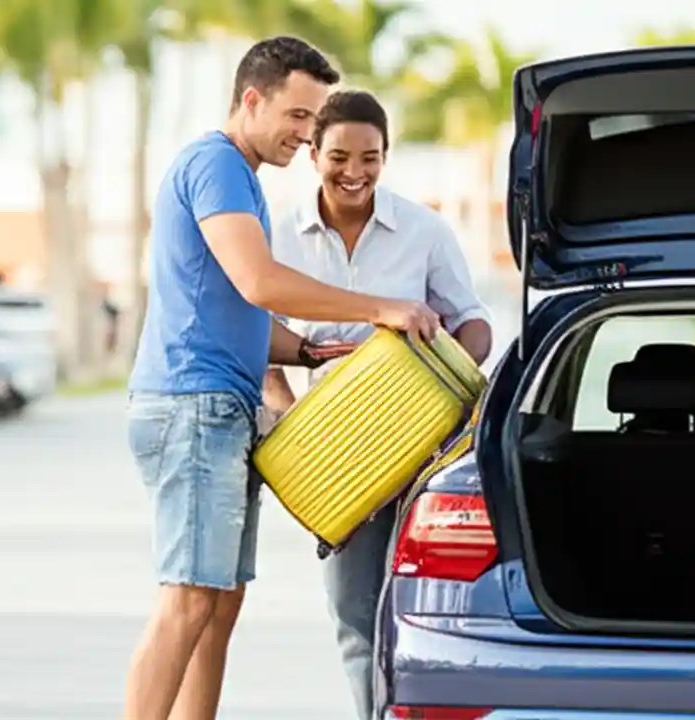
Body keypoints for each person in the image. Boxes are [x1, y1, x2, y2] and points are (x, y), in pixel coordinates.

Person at [122, 37, 442, 720]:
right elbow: (259, 281)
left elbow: (240, 309)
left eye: (314, 118)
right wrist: (380, 308)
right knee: (187, 598)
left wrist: (314, 353)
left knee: (218, 600)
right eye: (298, 116)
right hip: (192, 406)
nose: (306, 133)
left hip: (222, 408)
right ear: (252, 99)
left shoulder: (240, 181)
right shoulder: (216, 165)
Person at [262, 88, 493, 720]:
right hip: (336, 460)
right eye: (339, 155)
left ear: (386, 156)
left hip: (422, 451)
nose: (354, 172)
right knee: (354, 615)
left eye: (370, 157)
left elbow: (473, 321)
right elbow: (258, 335)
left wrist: (451, 370)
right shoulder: (278, 235)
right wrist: (286, 417)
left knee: (418, 610)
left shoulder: (423, 230)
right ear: (314, 153)